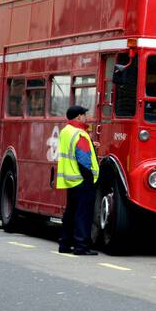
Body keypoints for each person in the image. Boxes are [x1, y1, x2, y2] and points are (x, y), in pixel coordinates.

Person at [55, 104, 99, 256]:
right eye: (84, 115)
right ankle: (81, 246)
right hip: (82, 179)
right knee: (83, 214)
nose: (86, 117)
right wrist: (90, 178)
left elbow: (72, 151)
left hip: (70, 179)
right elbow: (83, 159)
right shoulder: (80, 134)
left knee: (70, 213)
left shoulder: (66, 131)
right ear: (79, 117)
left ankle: (64, 244)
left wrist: (91, 145)